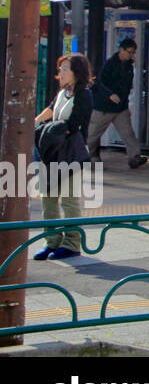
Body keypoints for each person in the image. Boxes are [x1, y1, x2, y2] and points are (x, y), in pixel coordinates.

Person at [33, 54, 94, 260]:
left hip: (71, 153)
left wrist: (49, 131)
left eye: (65, 69)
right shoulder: (62, 93)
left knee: (69, 200)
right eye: (60, 69)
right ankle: (51, 241)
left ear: (76, 72)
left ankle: (71, 243)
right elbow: (49, 112)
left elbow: (73, 125)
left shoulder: (84, 94)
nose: (60, 73)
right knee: (48, 199)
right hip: (52, 151)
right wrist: (33, 124)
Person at [86, 38, 147, 168]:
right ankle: (87, 156)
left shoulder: (129, 66)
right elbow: (100, 83)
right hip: (104, 107)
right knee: (93, 134)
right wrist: (110, 94)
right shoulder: (109, 64)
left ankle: (135, 156)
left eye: (133, 52)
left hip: (120, 107)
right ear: (121, 50)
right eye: (129, 52)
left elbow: (127, 86)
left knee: (128, 133)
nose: (130, 55)